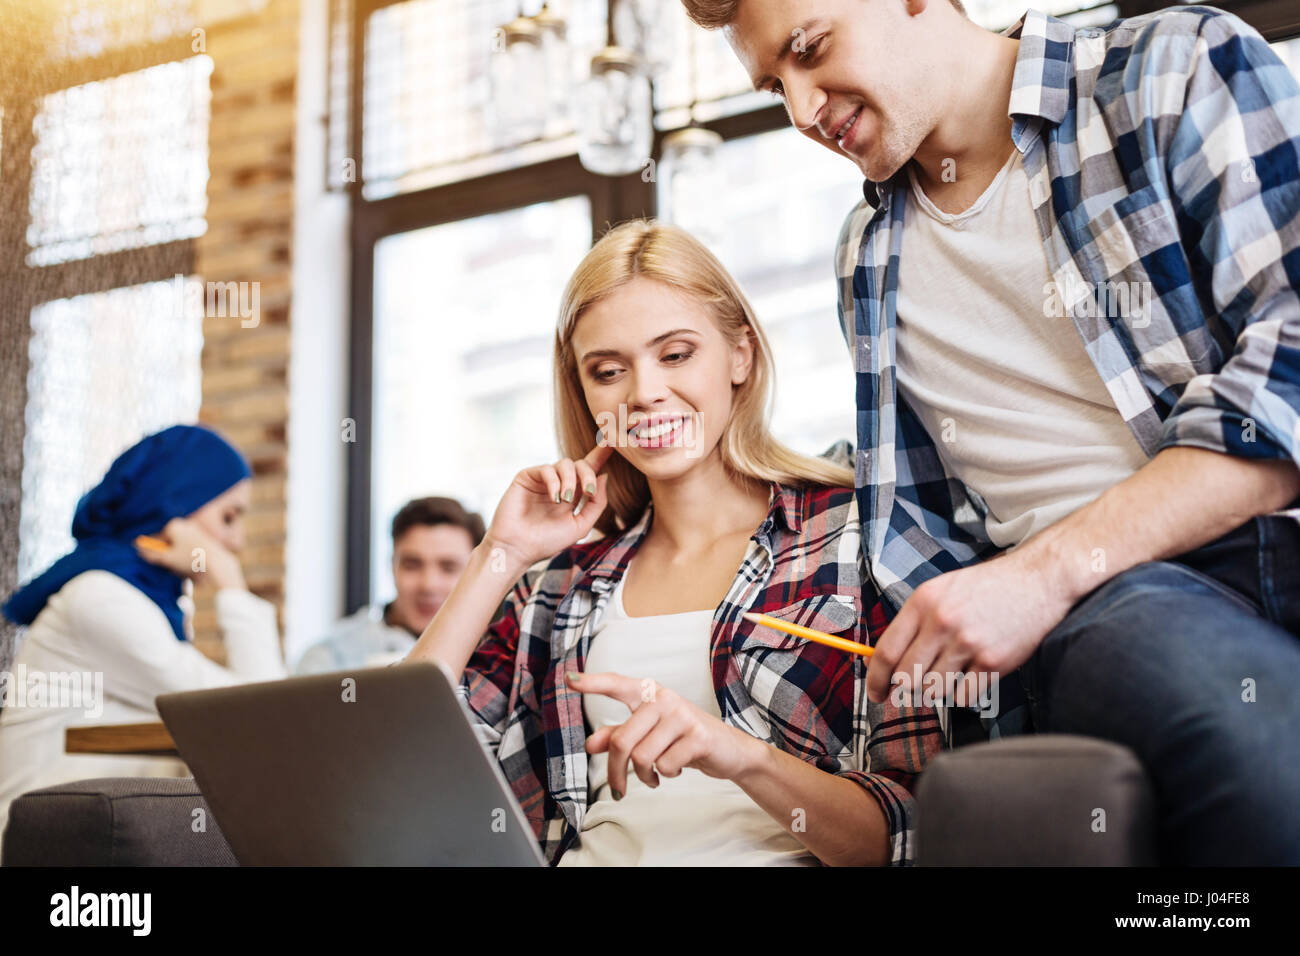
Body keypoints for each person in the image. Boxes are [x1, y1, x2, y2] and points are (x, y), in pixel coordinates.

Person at [684, 0, 1300, 863]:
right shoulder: (868, 259)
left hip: (1249, 545)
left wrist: (1039, 576)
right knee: (1220, 717)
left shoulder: (1168, 67)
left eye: (811, 49)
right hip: (1112, 616)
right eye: (773, 85)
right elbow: (920, 527)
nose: (801, 110)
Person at [405, 219, 941, 867]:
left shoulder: (857, 535)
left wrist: (738, 754)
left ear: (740, 354)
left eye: (676, 354)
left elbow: (911, 835)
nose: (645, 392)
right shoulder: (561, 587)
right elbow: (397, 757)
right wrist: (503, 552)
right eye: (608, 370)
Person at [0, 424, 287, 835]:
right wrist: (228, 579)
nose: (237, 541)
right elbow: (260, 716)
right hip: (51, 852)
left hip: (98, 839)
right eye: (229, 517)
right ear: (175, 504)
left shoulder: (133, 599)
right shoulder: (101, 598)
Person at [294, 496, 484, 674]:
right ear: (392, 566)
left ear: (473, 573)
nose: (428, 585)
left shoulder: (497, 657)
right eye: (412, 565)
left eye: (448, 568)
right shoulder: (330, 658)